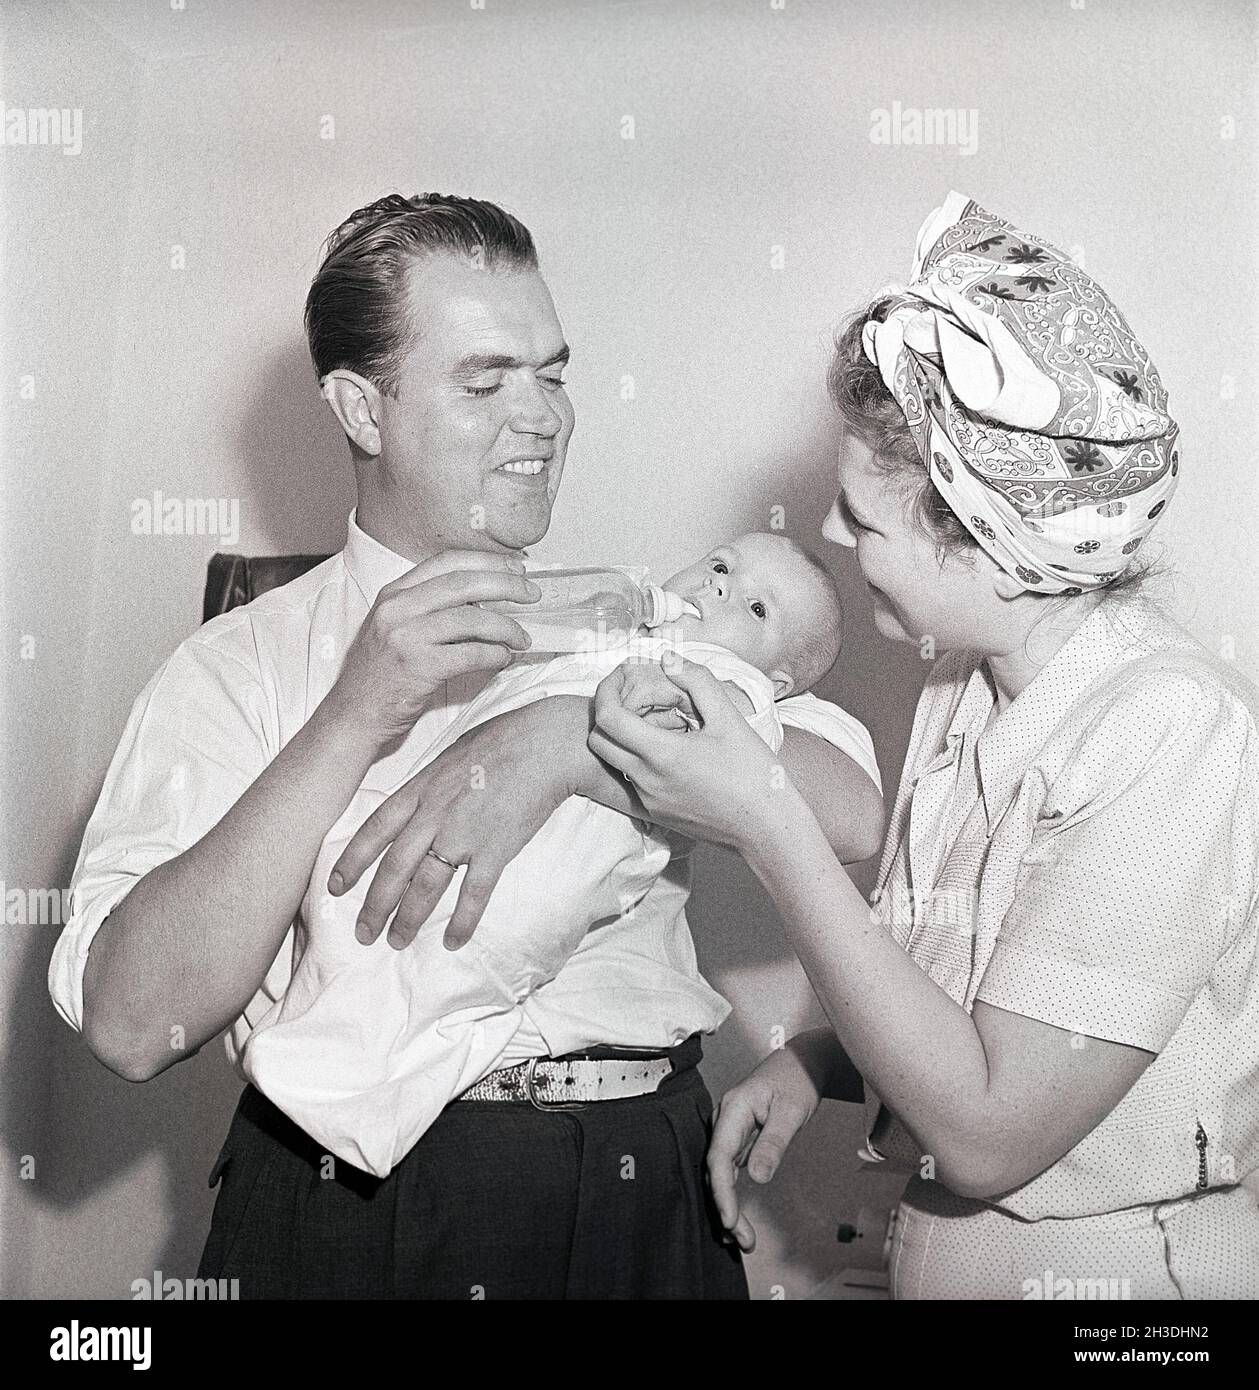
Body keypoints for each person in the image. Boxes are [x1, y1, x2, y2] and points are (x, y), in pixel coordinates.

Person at [49, 193, 884, 1299]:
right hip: (354, 1204)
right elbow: (131, 1023)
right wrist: (354, 713)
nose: (542, 418)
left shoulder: (647, 628)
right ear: (361, 408)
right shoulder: (236, 666)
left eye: (552, 373)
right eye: (485, 383)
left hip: (646, 1185)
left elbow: (849, 810)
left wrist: (567, 737)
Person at [579, 193, 1259, 1299]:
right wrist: (820, 1061)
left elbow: (989, 1135)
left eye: (863, 518)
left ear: (992, 545)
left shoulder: (1173, 731)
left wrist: (769, 822)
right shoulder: (963, 680)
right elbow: (974, 992)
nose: (832, 535)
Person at [242, 531, 860, 1179]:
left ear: (779, 680)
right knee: (352, 905)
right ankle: (320, 1056)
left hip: (554, 861)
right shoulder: (612, 628)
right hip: (454, 820)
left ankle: (354, 1100)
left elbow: (721, 746)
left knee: (464, 958)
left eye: (756, 608)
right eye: (720, 566)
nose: (719, 588)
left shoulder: (730, 685)